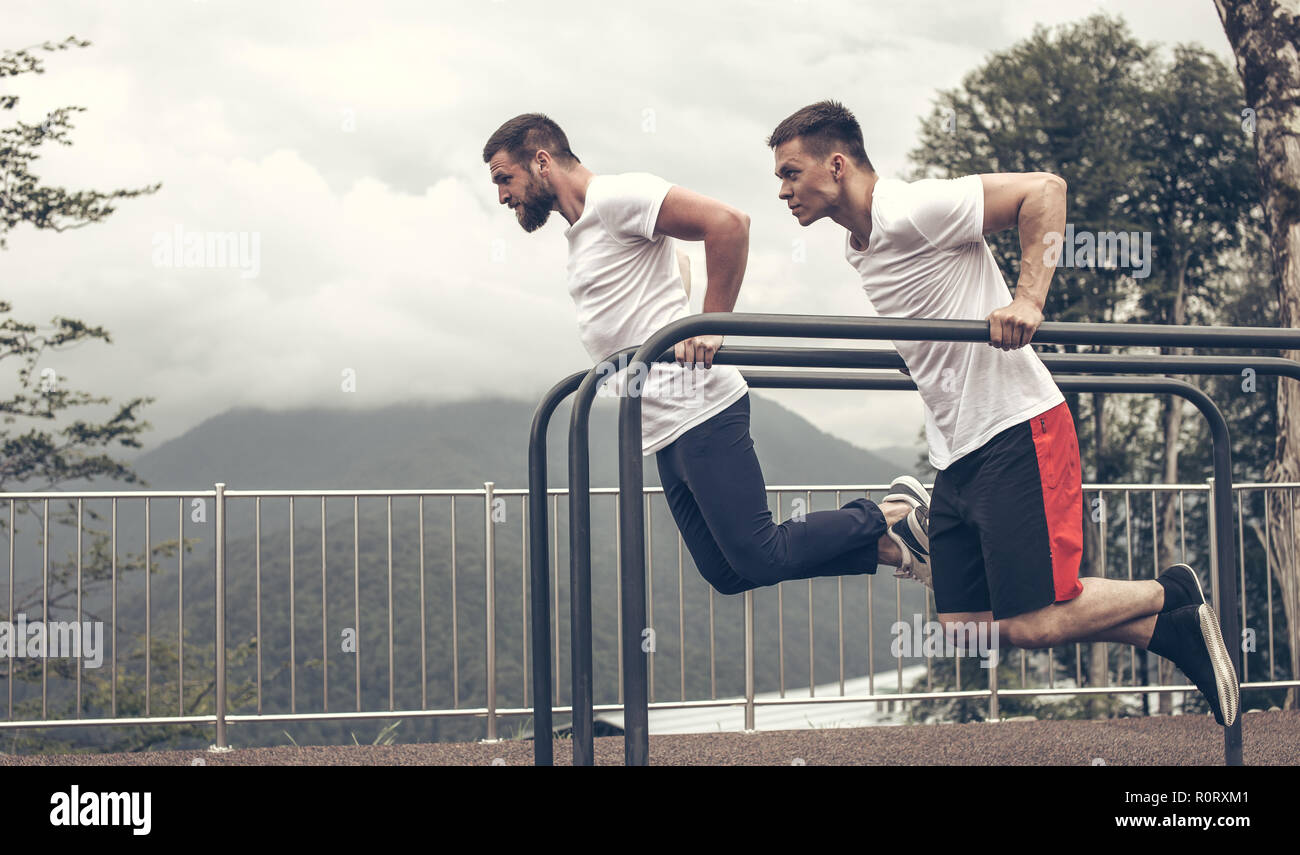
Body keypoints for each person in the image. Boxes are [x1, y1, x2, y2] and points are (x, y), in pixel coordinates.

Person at [766, 99, 1238, 726]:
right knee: (967, 625)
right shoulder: (861, 244)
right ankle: (1168, 629)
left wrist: (1028, 300)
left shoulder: (910, 207)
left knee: (1033, 623)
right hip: (957, 450)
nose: (782, 190)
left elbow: (1045, 191)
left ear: (835, 165)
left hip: (1017, 428)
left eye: (790, 173)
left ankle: (1170, 592)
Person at [483, 112, 932, 596]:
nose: (503, 196)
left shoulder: (615, 197)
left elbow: (728, 224)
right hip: (660, 425)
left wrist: (711, 324)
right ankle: (893, 544)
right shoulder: (583, 229)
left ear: (542, 161)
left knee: (762, 554)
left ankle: (891, 514)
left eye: (505, 179)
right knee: (727, 572)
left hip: (699, 406)